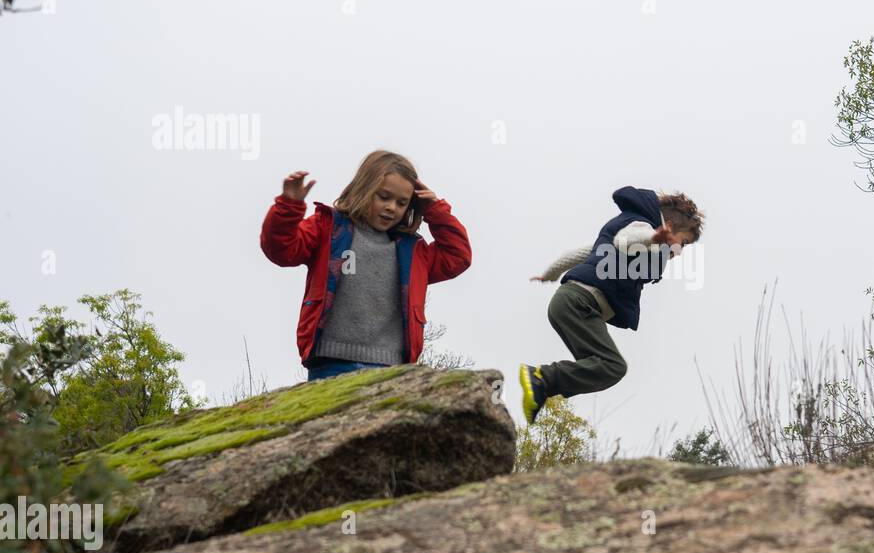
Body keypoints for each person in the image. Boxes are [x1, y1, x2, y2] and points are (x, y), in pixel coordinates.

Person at [259, 150, 471, 381]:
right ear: (364, 189)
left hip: (392, 367)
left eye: (402, 203)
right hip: (331, 362)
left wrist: (434, 210)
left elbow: (458, 256)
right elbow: (282, 249)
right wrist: (289, 207)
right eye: (384, 197)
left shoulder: (413, 251)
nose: (392, 207)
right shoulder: (328, 228)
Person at [520, 186, 704, 423]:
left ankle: (541, 386)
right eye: (684, 243)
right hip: (579, 303)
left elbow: (583, 253)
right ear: (669, 225)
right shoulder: (641, 226)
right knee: (612, 366)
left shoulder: (633, 227)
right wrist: (653, 237)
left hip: (568, 301)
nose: (679, 252)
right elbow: (626, 240)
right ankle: (542, 379)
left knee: (599, 367)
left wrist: (550, 273)